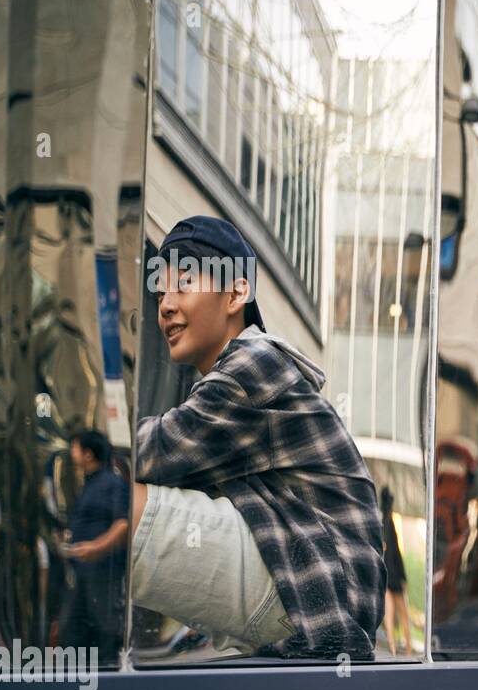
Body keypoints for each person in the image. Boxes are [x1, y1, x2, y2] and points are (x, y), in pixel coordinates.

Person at [131, 215, 386, 658]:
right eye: (160, 293)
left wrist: (85, 435)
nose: (166, 305)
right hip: (314, 582)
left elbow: (152, 452)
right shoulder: (237, 374)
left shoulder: (254, 365)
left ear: (236, 293)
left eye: (183, 285)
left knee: (117, 498)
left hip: (321, 589)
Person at [61, 430, 129, 661]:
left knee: (105, 630)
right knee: (73, 633)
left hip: (103, 572)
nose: (72, 452)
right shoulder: (90, 484)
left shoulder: (112, 483)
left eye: (75, 447)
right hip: (84, 572)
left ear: (88, 454)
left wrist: (96, 548)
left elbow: (123, 525)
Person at [380, 486, 413, 655]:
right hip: (395, 575)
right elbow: (397, 553)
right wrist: (403, 577)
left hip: (386, 575)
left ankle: (392, 649)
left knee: (390, 615)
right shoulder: (390, 522)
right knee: (403, 614)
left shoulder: (380, 524)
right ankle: (408, 649)